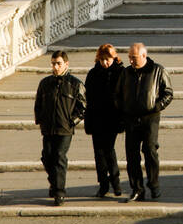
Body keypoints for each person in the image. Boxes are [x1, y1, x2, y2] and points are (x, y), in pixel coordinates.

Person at [114, 42, 174, 202]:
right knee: (131, 155)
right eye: (129, 58)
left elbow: (168, 93)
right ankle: (137, 189)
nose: (131, 61)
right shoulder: (126, 73)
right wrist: (122, 109)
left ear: (144, 56)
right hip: (131, 118)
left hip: (150, 117)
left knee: (150, 151)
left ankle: (154, 185)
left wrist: (156, 106)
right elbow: (118, 94)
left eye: (134, 58)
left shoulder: (158, 71)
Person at [34, 50, 86, 205]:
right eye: (53, 63)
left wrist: (72, 121)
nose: (55, 67)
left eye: (58, 63)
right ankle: (55, 182)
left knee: (59, 156)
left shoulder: (75, 83)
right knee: (47, 156)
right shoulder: (45, 83)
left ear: (66, 64)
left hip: (65, 127)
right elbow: (38, 104)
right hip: (48, 127)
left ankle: (59, 192)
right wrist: (40, 121)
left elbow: (83, 106)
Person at [84, 43, 125, 198]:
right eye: (102, 60)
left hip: (113, 117)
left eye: (108, 59)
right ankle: (103, 184)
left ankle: (115, 182)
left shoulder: (121, 72)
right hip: (96, 117)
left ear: (114, 58)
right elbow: (87, 96)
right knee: (98, 152)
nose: (105, 63)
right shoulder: (93, 74)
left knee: (108, 150)